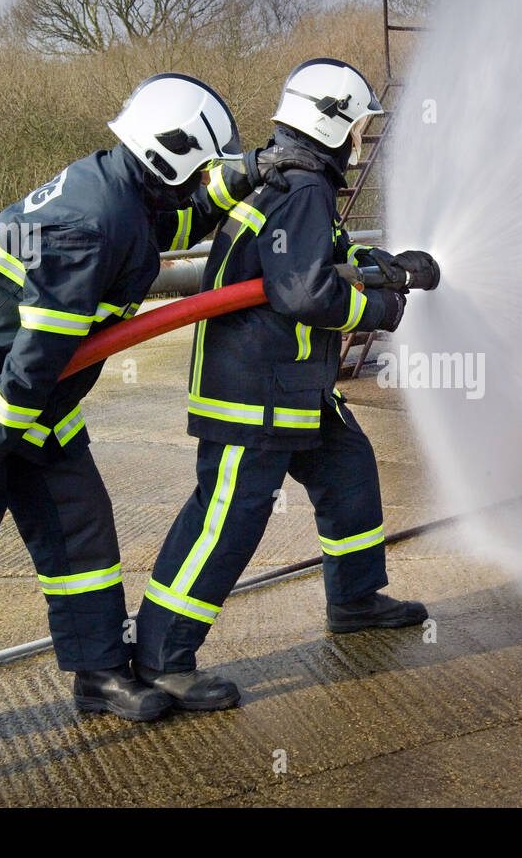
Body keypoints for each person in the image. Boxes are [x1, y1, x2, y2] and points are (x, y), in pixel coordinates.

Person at [0, 73, 311, 774]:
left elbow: (174, 219)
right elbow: (36, 355)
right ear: (172, 153)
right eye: (206, 164)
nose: (205, 180)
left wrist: (249, 173)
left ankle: (97, 673)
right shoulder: (89, 223)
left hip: (32, 398)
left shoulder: (124, 187)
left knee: (81, 530)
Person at [134, 58, 439, 711]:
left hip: (293, 385)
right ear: (332, 124)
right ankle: (161, 658)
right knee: (227, 520)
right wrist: (379, 310)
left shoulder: (290, 182)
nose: (361, 138)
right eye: (358, 125)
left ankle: (355, 598)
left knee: (349, 468)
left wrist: (381, 267)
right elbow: (305, 292)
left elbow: (304, 259)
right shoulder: (302, 188)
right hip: (257, 391)